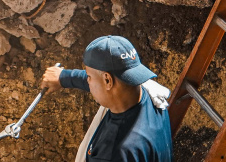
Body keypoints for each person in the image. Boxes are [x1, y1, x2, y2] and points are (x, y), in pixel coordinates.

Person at [41, 36, 173, 162]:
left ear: (107, 80)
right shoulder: (151, 95)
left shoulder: (114, 153)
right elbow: (109, 79)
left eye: (89, 76)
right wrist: (63, 77)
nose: (87, 81)